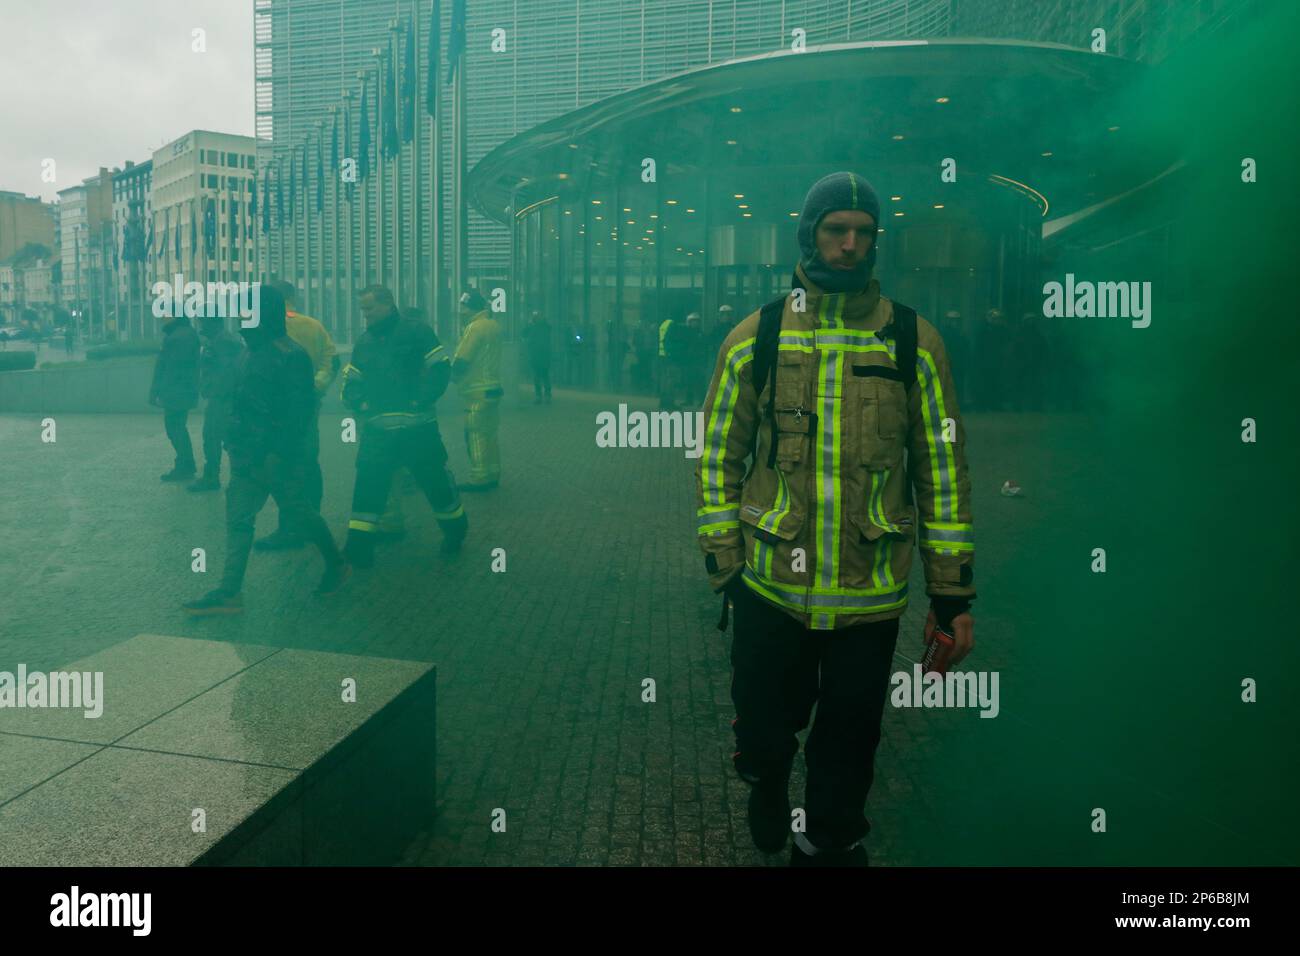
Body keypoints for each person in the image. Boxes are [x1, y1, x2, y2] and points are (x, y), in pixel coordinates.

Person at [695, 171, 976, 867]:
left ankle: (825, 843)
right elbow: (716, 459)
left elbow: (941, 474)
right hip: (768, 589)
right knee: (765, 729)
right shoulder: (755, 336)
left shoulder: (915, 342)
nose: (850, 246)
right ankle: (764, 778)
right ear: (809, 236)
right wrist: (725, 565)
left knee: (850, 741)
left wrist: (952, 597)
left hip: (869, 597)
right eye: (835, 231)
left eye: (863, 233)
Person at [183, 285, 350, 615]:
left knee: (300, 512)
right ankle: (230, 591)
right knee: (239, 520)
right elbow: (240, 401)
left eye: (249, 310)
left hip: (276, 458)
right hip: (248, 456)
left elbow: (298, 414)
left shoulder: (291, 356)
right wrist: (234, 440)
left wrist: (278, 455)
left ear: (265, 313)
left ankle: (336, 563)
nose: (243, 317)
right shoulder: (250, 351)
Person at [339, 284, 467, 566]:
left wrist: (419, 401)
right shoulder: (365, 341)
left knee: (435, 484)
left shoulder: (417, 331)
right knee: (368, 488)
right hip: (382, 431)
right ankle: (358, 548)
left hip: (417, 429)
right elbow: (354, 381)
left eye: (369, 308)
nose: (365, 315)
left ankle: (455, 531)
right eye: (362, 309)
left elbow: (441, 369)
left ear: (387, 304)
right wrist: (358, 401)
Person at [254, 280, 339, 550]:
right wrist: (318, 385)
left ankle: (289, 529)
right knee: (309, 462)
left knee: (283, 466)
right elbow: (332, 360)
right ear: (293, 296)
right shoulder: (313, 325)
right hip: (309, 404)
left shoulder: (264, 327)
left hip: (275, 409)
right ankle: (311, 521)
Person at [452, 289, 503, 491]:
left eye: (463, 306)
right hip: (493, 389)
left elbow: (463, 358)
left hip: (476, 391)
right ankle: (493, 473)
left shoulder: (475, 327)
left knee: (474, 434)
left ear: (471, 307)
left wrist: (451, 377)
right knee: (490, 433)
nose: (461, 311)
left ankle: (479, 477)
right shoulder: (493, 325)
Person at [188, 313, 245, 492]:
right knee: (215, 437)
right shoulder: (219, 340)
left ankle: (214, 477)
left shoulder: (224, 342)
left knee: (215, 437)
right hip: (220, 398)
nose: (201, 327)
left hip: (223, 399)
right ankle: (219, 476)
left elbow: (227, 373)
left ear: (214, 323)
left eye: (203, 322)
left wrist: (214, 390)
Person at [150, 310, 201, 481]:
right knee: (177, 428)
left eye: (167, 314)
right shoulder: (182, 334)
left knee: (175, 429)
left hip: (176, 392)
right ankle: (185, 464)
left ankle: (185, 466)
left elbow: (172, 369)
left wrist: (160, 392)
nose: (163, 318)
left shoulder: (178, 337)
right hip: (180, 391)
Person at [521, 310, 552, 404]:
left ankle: (539, 396)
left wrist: (530, 323)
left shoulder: (532, 327)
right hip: (544, 354)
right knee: (544, 375)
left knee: (538, 375)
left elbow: (523, 333)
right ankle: (546, 395)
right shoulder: (546, 327)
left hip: (536, 354)